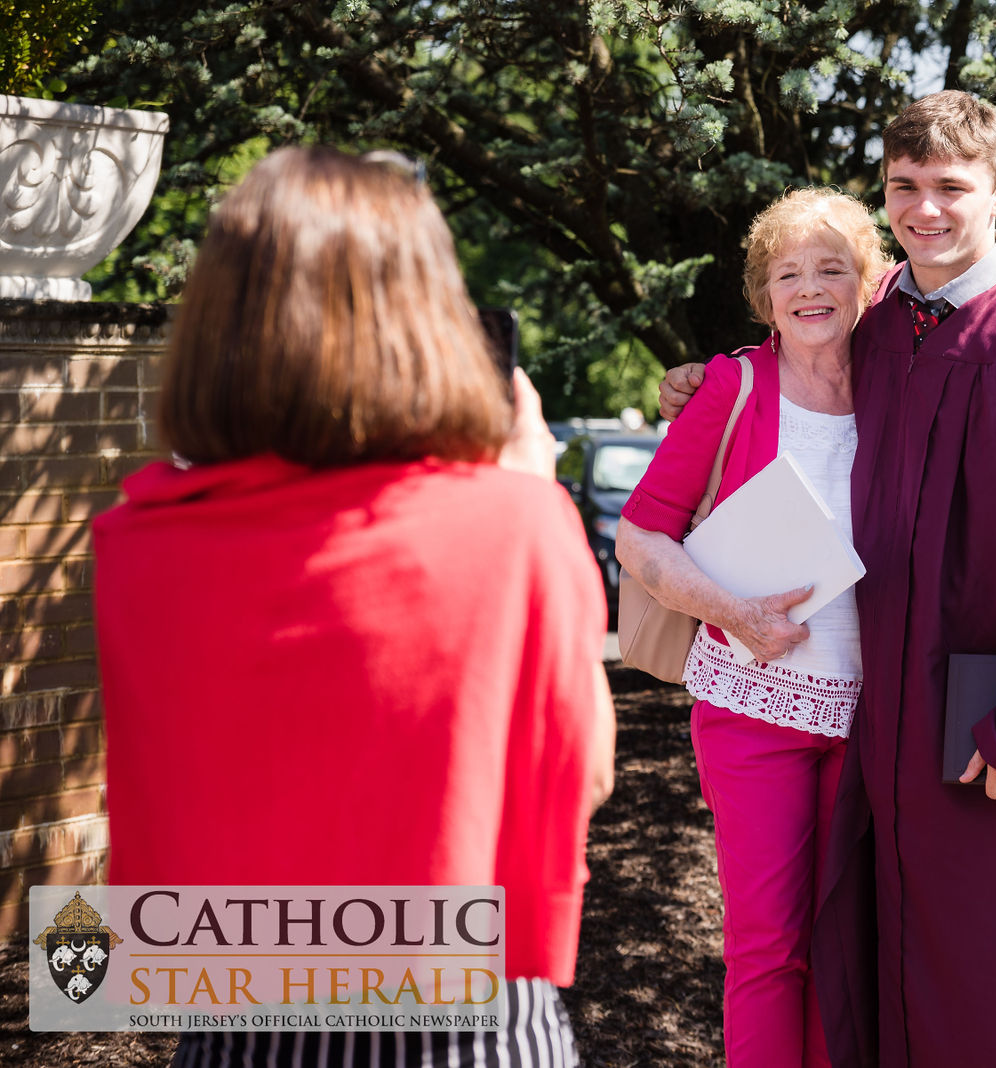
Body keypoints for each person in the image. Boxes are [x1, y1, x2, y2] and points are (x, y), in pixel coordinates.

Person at [658, 92, 996, 1067]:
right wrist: (700, 379)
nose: (924, 209)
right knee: (900, 958)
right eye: (904, 186)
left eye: (951, 188)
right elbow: (787, 363)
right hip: (889, 716)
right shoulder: (881, 321)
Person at [94, 145, 615, 1067]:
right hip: (470, 1018)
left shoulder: (136, 544)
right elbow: (585, 776)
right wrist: (529, 494)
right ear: (425, 317)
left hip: (239, 1010)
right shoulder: (515, 523)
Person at [615, 187, 891, 1068]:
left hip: (875, 717)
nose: (809, 289)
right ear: (764, 296)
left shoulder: (899, 386)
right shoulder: (731, 387)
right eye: (787, 274)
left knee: (849, 949)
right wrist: (733, 614)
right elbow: (640, 534)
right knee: (770, 944)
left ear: (867, 283)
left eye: (831, 269)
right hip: (754, 708)